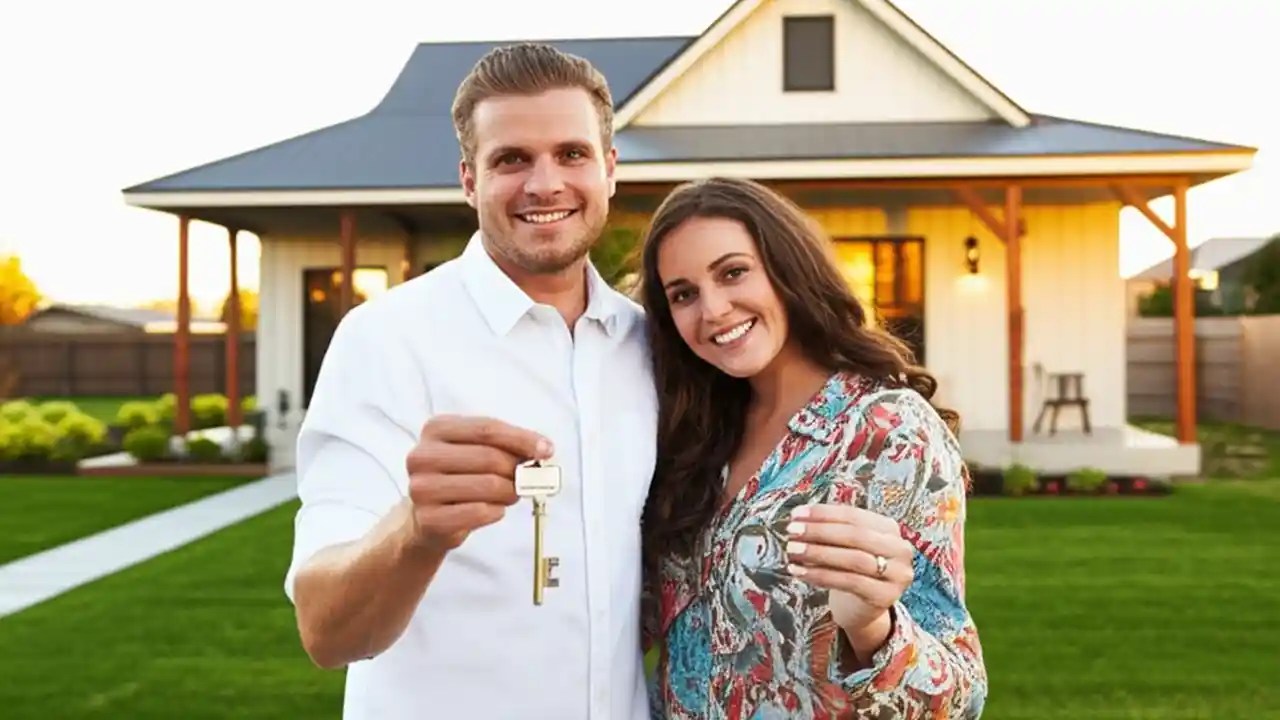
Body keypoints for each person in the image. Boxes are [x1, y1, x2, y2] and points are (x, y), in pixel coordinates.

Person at [283, 43, 656, 720]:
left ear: (609, 169)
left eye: (571, 154)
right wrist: (416, 531)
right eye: (511, 159)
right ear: (467, 180)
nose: (545, 184)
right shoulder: (387, 340)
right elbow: (326, 630)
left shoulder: (649, 346)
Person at [638, 177, 988, 719]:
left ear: (786, 270)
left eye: (733, 273)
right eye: (683, 294)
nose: (712, 309)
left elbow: (958, 699)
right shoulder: (693, 438)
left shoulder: (887, 432)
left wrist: (873, 625)